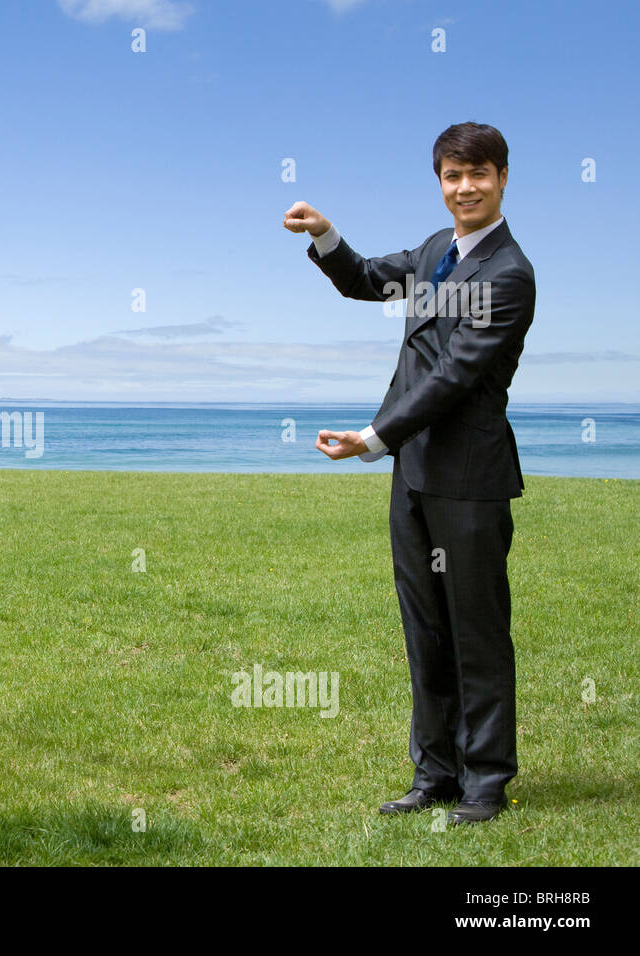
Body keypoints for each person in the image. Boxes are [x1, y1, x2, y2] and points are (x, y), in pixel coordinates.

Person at [284, 123, 535, 825]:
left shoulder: (509, 275)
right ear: (441, 183)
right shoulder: (432, 251)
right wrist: (328, 236)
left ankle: (487, 782)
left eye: (478, 174)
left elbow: (455, 376)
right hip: (415, 473)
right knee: (424, 627)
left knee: (476, 632)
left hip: (469, 478)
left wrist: (373, 436)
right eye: (453, 176)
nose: (465, 188)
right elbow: (366, 280)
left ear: (503, 178)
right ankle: (435, 775)